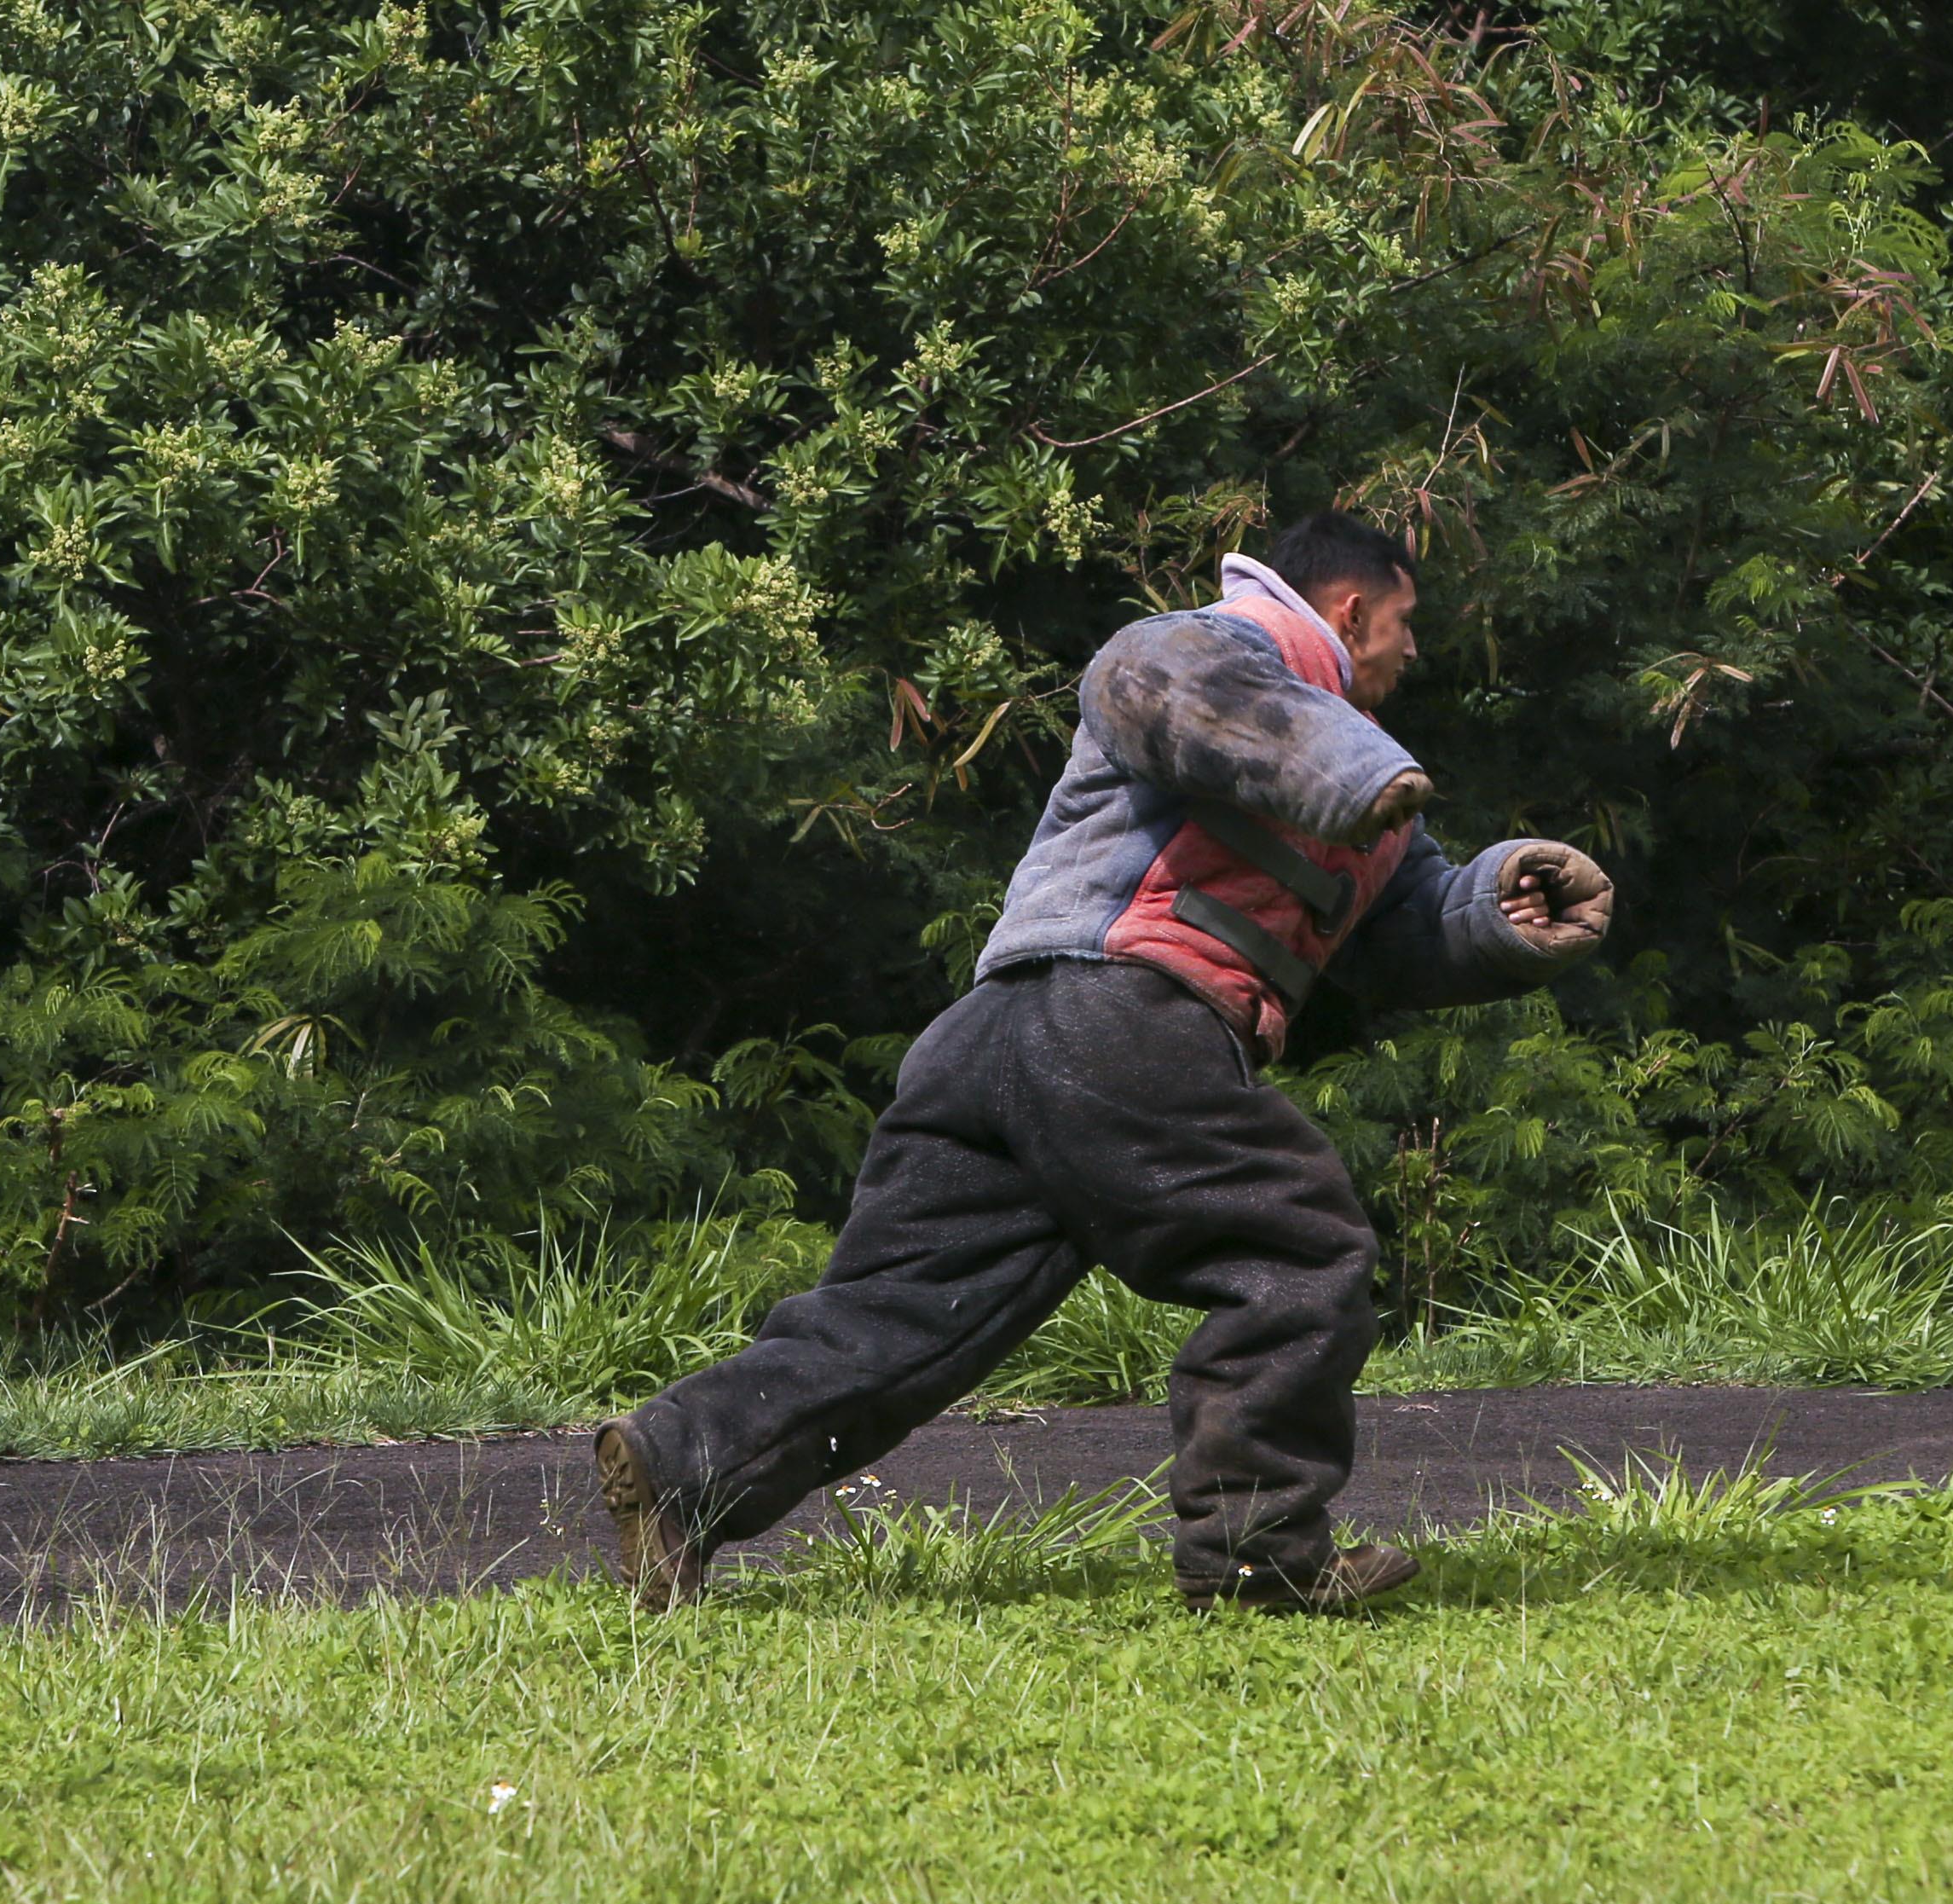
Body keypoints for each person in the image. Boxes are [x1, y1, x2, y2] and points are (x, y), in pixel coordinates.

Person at [598, 512, 1615, 1614]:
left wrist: (1506, 902)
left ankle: (680, 1462)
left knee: (907, 1312)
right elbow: (1184, 694)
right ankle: (1255, 1548)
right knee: (1302, 1248)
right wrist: (1356, 772)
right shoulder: (1206, 647)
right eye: (1406, 624)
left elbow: (1405, 921)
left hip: (1003, 1045)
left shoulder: (1365, 804)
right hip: (1118, 1015)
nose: (1415, 652)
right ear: (1351, 611)